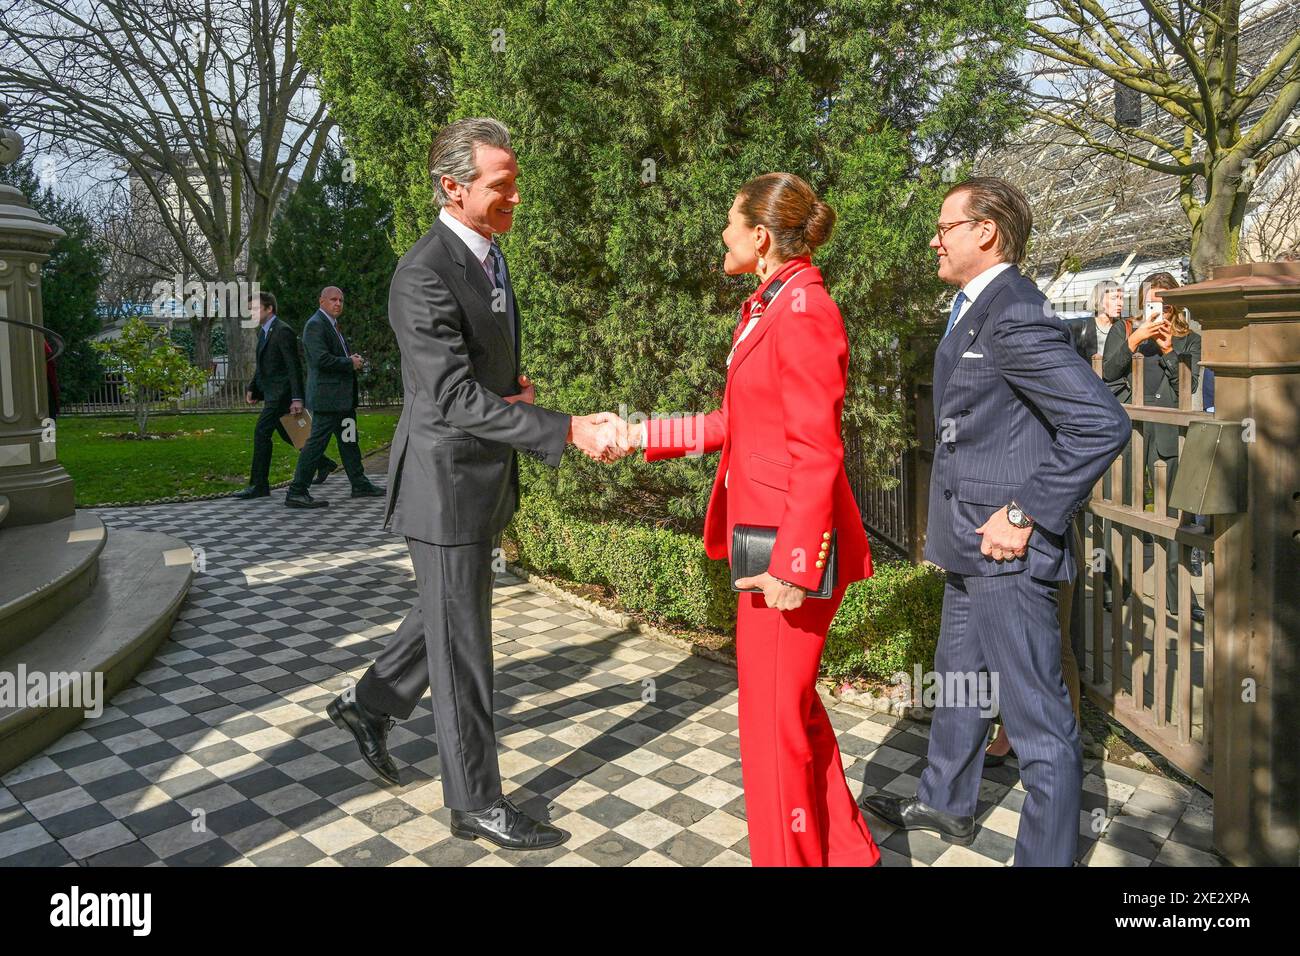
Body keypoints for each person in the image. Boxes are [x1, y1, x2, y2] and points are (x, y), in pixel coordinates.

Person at [326, 117, 622, 852]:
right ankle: (475, 802)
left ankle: (369, 704)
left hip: (480, 473)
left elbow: (475, 373)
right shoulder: (421, 272)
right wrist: (564, 429)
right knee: (465, 647)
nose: (515, 196)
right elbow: (452, 398)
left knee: (447, 615)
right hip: (444, 485)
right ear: (453, 187)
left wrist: (512, 391)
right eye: (502, 184)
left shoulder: (488, 255)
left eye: (514, 181)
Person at [613, 173, 882, 867]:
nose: (722, 236)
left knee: (770, 729)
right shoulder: (771, 303)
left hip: (784, 554)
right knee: (793, 714)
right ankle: (849, 852)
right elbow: (732, 423)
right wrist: (640, 432)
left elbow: (819, 450)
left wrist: (793, 565)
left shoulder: (802, 310)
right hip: (763, 542)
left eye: (729, 224)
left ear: (760, 236)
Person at [862, 177, 1129, 866]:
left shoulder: (1014, 311)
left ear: (986, 231)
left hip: (1008, 552)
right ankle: (947, 803)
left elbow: (1100, 422)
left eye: (944, 226)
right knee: (959, 681)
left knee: (1039, 722)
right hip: (969, 544)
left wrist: (1025, 512)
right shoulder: (972, 306)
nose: (934, 239)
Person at [1119, 272, 1204, 622]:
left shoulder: (1190, 340)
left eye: (1167, 302)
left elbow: (1190, 383)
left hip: (1167, 435)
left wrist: (1169, 350)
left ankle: (1178, 596)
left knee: (1172, 518)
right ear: (1143, 303)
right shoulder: (1131, 334)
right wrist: (1137, 340)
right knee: (1120, 509)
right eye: (1154, 301)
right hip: (1129, 432)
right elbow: (1113, 373)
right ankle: (1118, 586)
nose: (1161, 309)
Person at [283, 286, 385, 508]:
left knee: (349, 441)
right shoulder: (315, 325)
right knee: (315, 444)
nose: (338, 303)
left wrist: (350, 359)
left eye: (341, 300)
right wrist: (350, 362)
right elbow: (321, 360)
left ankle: (359, 483)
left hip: (342, 401)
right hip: (327, 400)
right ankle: (297, 490)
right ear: (322, 301)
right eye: (333, 300)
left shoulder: (332, 325)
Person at [234, 291, 337, 499]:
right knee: (290, 434)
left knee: (261, 433)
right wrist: (253, 387)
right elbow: (263, 365)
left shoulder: (282, 331)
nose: (250, 313)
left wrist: (297, 398)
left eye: (254, 308)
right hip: (272, 393)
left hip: (282, 395)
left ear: (269, 308)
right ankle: (324, 463)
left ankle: (259, 485)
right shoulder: (263, 331)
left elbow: (293, 366)